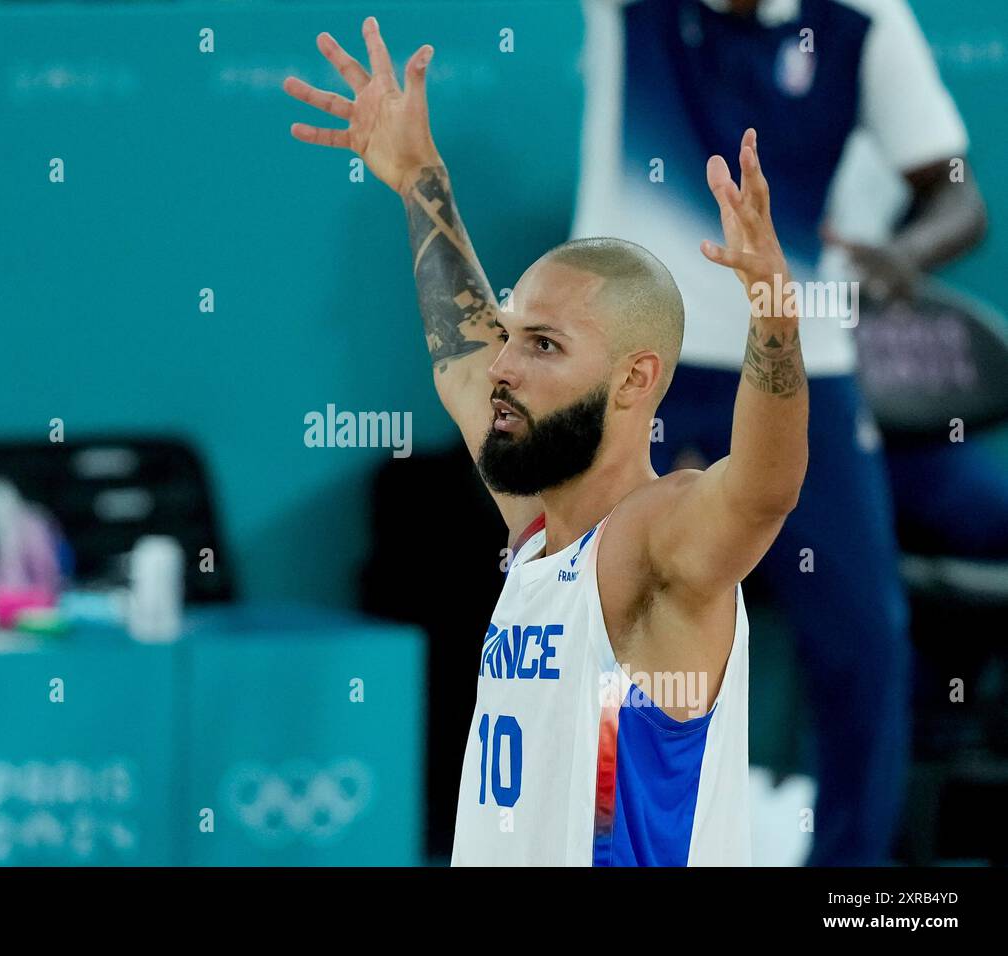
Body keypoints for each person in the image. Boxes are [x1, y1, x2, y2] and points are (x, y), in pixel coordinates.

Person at [285, 16, 807, 865]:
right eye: (512, 332)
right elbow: (460, 357)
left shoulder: (656, 540)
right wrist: (419, 177)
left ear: (636, 381)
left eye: (543, 345)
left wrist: (777, 324)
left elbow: (764, 489)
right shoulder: (536, 532)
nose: (504, 366)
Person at [571, 0, 990, 864]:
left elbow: (958, 199)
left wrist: (905, 258)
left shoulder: (866, 21)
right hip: (639, 350)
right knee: (590, 630)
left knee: (866, 649)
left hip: (799, 359)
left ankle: (852, 878)